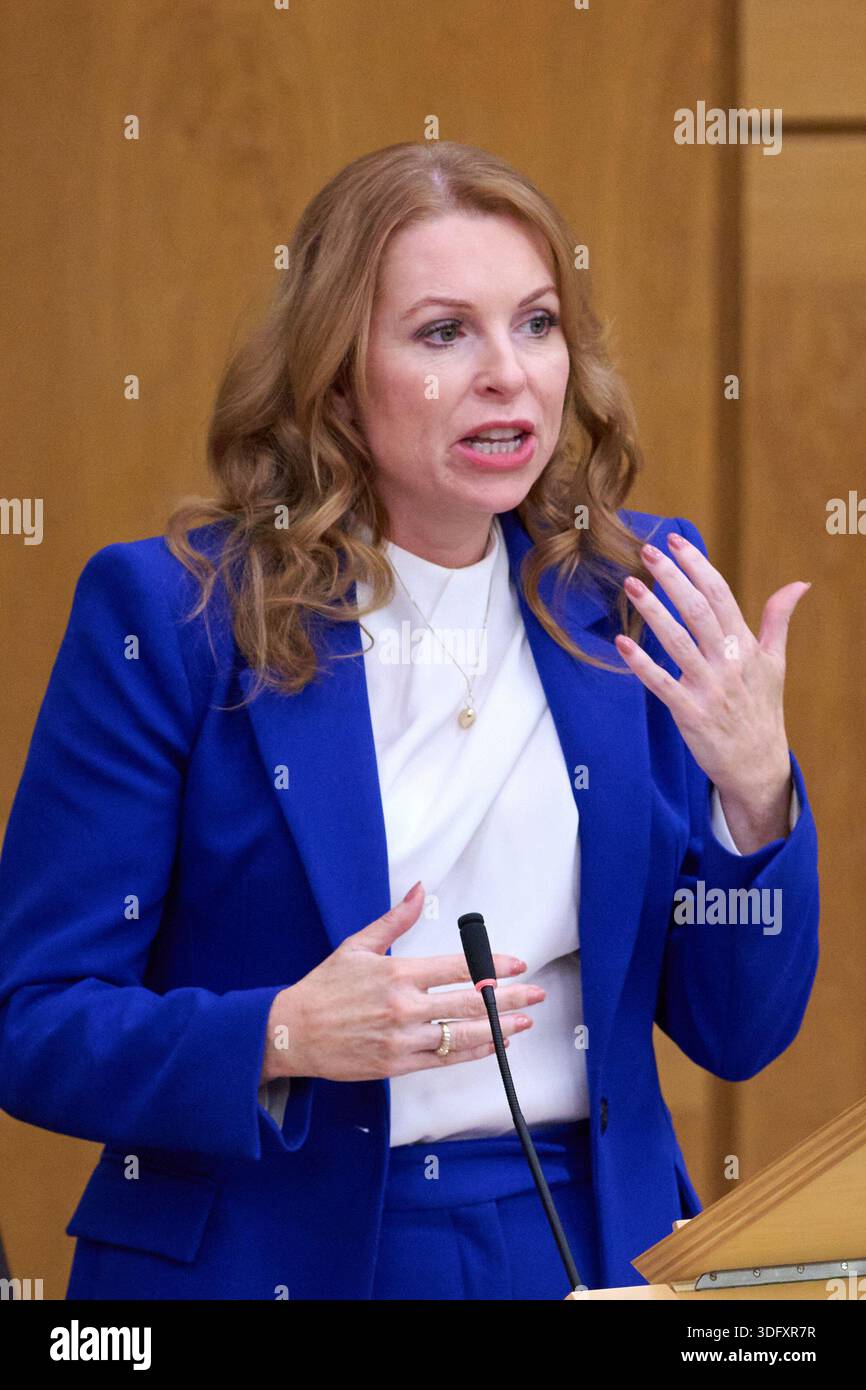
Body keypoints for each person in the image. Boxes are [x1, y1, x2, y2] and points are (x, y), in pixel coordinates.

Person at [0, 141, 818, 1301]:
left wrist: (752, 794)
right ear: (336, 377)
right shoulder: (176, 616)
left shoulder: (632, 597)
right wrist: (278, 1034)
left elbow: (735, 1033)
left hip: (577, 1244)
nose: (507, 375)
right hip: (270, 1253)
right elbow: (32, 1020)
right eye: (444, 333)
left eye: (536, 325)